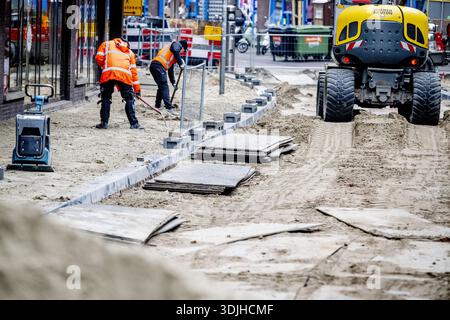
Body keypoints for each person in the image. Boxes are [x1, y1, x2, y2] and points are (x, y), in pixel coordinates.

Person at [95, 38, 143, 129]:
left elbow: (98, 57)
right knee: (129, 99)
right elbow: (134, 73)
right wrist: (137, 90)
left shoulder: (106, 44)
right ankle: (134, 124)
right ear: (126, 44)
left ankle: (104, 123)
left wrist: (105, 66)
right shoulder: (130, 52)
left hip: (108, 73)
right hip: (125, 76)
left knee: (106, 98)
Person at [149, 40, 188, 115]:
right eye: (184, 51)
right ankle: (168, 108)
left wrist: (173, 82)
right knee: (164, 86)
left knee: (161, 86)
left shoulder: (172, 55)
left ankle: (157, 105)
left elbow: (171, 71)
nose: (182, 53)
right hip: (158, 65)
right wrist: (180, 63)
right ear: (182, 48)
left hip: (155, 66)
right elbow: (176, 49)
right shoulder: (176, 45)